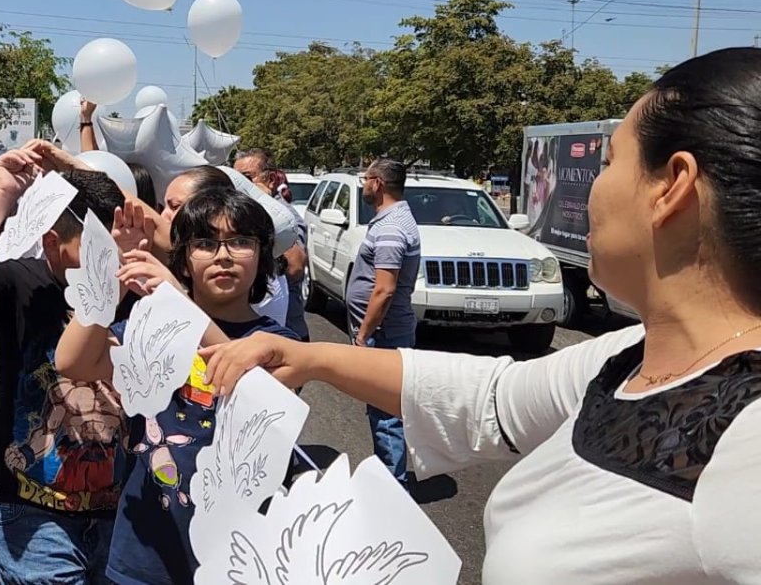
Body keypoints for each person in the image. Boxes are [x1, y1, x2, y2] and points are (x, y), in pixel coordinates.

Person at [200, 47, 761, 584]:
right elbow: (492, 396)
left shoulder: (747, 442)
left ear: (673, 187)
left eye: (611, 161)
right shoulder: (631, 356)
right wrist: (311, 357)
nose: (592, 187)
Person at [55, 187, 300, 585]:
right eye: (205, 243)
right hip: (143, 554)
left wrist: (178, 302)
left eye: (240, 242)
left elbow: (265, 399)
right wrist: (110, 273)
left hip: (237, 559)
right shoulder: (153, 326)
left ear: (262, 255)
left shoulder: (277, 341)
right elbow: (73, 361)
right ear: (183, 258)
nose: (223, 255)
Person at [0, 142, 142, 585]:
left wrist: (71, 168)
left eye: (116, 251)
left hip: (116, 508)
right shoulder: (22, 282)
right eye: (96, 249)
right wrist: (1, 192)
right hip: (28, 507)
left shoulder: (139, 285)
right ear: (52, 244)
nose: (111, 264)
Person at [344, 158, 421, 485]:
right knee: (381, 410)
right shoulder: (391, 219)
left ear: (378, 183)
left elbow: (384, 290)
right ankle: (388, 481)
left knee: (386, 414)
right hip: (385, 332)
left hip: (384, 334)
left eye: (366, 179)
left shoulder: (390, 227)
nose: (363, 185)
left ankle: (393, 491)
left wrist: (363, 335)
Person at [233, 149, 311, 341]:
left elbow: (295, 266)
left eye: (247, 178)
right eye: (236, 179)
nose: (241, 185)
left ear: (271, 180)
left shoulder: (284, 215)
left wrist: (264, 204)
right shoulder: (245, 212)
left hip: (286, 330)